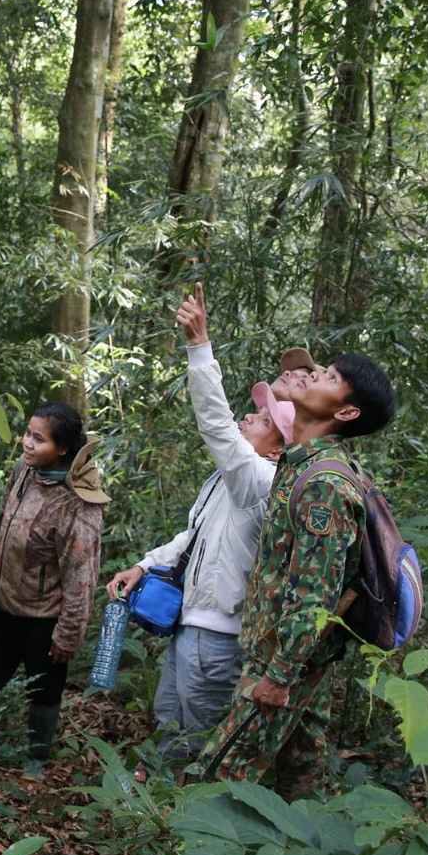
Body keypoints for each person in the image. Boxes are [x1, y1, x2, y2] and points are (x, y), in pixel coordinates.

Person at [105, 283, 309, 770]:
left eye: (260, 420)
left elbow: (216, 423)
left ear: (276, 448)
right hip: (190, 625)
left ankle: (188, 823)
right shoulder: (228, 481)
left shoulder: (259, 479)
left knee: (198, 735)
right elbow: (191, 536)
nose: (247, 417)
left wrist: (200, 346)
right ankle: (154, 817)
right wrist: (144, 565)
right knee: (168, 719)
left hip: (219, 636)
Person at [197, 348, 396, 799]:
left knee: (216, 780)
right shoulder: (299, 465)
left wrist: (279, 675)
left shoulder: (325, 485)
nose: (308, 376)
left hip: (284, 663)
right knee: (300, 776)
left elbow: (314, 595)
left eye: (326, 376)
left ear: (346, 411)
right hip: (306, 660)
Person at [0, 401, 108, 779]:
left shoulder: (78, 502)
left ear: (62, 448)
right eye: (27, 434)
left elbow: (82, 577)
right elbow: (3, 526)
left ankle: (35, 760)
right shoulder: (23, 472)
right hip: (2, 607)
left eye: (38, 439)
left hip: (43, 620)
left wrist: (67, 636)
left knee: (44, 694)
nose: (27, 444)